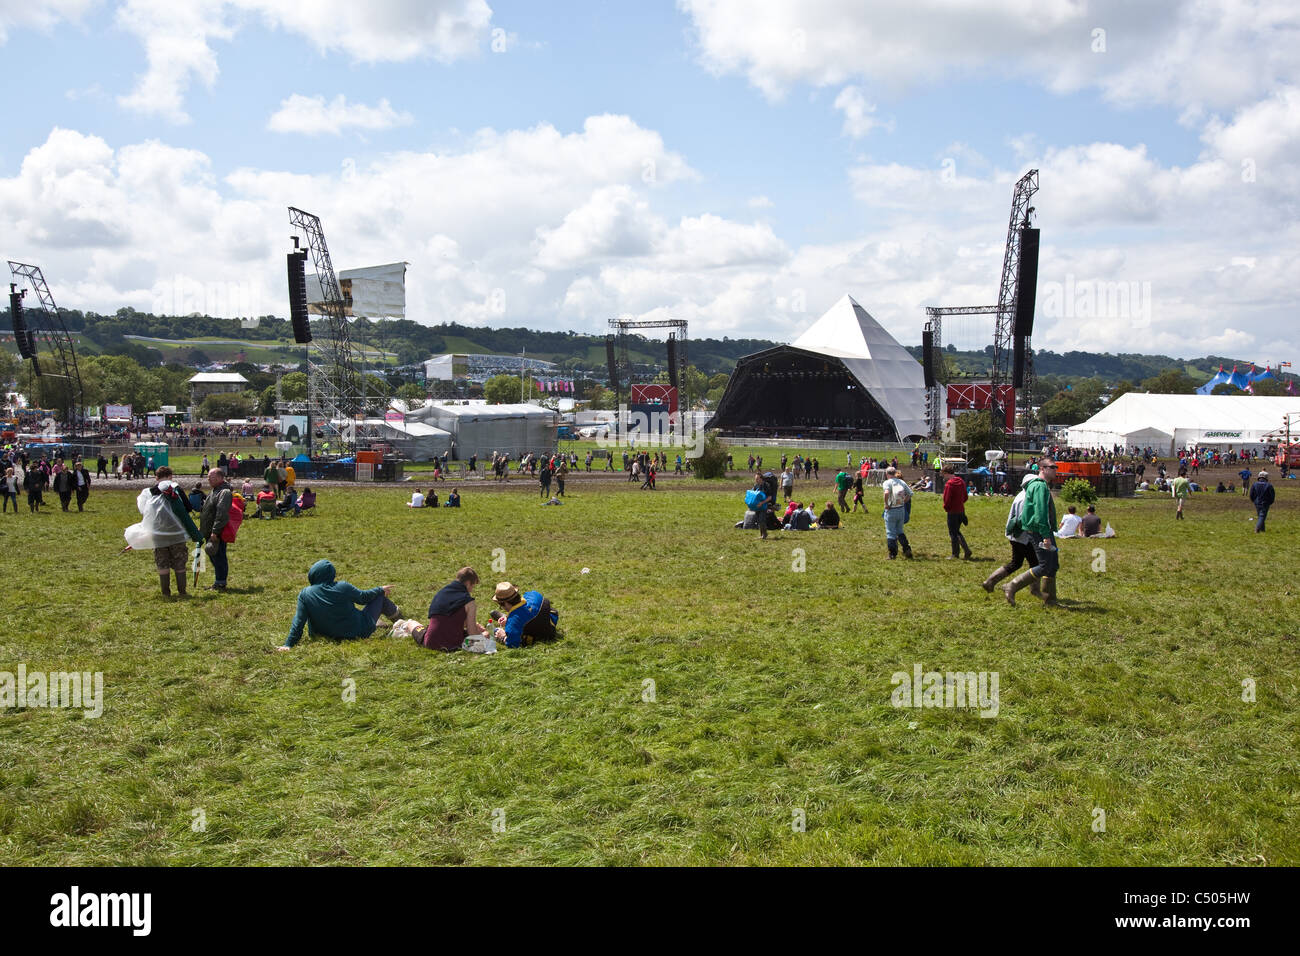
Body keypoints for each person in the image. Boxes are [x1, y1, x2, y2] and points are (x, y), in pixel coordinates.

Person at [278, 560, 400, 650]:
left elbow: (298, 621)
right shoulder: (342, 587)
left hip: (322, 634)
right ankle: (402, 622)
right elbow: (363, 598)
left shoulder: (305, 594)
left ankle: (379, 622)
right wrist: (380, 589)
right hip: (355, 632)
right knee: (380, 598)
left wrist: (288, 644)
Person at [1005, 458, 1059, 607]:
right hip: (1039, 532)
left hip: (1042, 530)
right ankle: (1012, 586)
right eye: (1052, 467)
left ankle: (1051, 600)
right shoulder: (1039, 486)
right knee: (1044, 566)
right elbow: (1040, 513)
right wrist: (1046, 536)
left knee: (1052, 565)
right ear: (1042, 468)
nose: (1056, 470)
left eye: (1056, 467)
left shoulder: (1040, 486)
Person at [981, 473, 1041, 599]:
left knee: (1016, 563)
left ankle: (990, 581)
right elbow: (1022, 519)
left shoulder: (1021, 494)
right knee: (1036, 564)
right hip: (1024, 536)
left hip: (1014, 535)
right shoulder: (1027, 498)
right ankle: (1034, 590)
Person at [417, 567, 492, 651]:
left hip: (430, 641)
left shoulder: (440, 594)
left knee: (413, 624)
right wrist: (482, 634)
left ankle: (405, 624)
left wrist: (473, 624)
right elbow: (472, 633)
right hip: (453, 644)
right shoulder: (469, 602)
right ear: (468, 583)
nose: (471, 591)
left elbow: (449, 617)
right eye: (472, 586)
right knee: (485, 636)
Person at [491, 582, 559, 648]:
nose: (502, 607)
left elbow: (512, 644)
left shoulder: (513, 622)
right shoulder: (532, 595)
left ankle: (507, 618)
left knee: (496, 631)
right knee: (521, 617)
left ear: (506, 603)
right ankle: (507, 617)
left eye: (501, 605)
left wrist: (503, 637)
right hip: (550, 621)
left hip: (540, 637)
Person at [199, 467, 233, 592]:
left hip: (217, 532)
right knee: (213, 555)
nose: (208, 479)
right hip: (209, 530)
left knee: (219, 557)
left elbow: (222, 513)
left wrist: (215, 531)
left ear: (219, 478)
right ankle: (218, 581)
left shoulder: (224, 492)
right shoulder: (214, 491)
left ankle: (220, 583)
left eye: (210, 477)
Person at [881, 466, 913, 559]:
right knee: (900, 530)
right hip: (901, 509)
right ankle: (907, 549)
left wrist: (886, 504)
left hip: (891, 510)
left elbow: (886, 493)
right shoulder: (901, 482)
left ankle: (892, 553)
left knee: (890, 532)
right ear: (895, 473)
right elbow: (910, 493)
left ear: (887, 474)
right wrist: (904, 501)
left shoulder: (887, 482)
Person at [941, 464, 972, 559]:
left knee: (953, 533)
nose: (943, 477)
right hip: (961, 510)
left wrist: (946, 507)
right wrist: (959, 504)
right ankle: (966, 550)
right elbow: (965, 497)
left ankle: (955, 554)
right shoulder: (961, 481)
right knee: (956, 531)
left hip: (952, 512)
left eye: (943, 474)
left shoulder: (949, 484)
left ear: (946, 473)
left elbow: (946, 499)